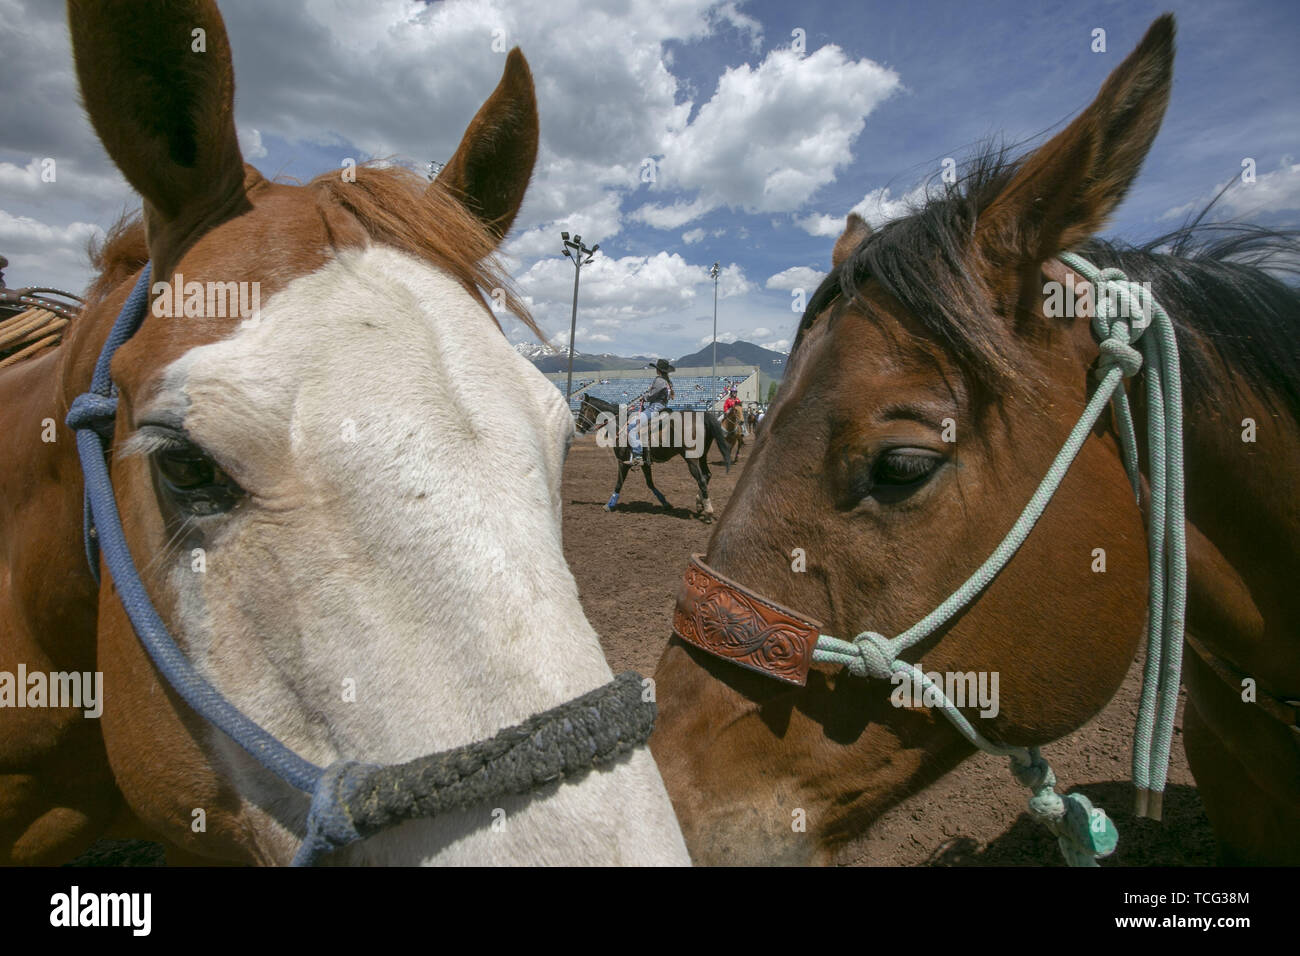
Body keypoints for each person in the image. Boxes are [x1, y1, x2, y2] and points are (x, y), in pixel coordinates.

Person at [627, 358, 674, 464]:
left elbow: (651, 395)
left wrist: (644, 397)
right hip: (663, 406)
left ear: (658, 370)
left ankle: (638, 455)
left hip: (655, 408)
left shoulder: (659, 380)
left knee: (632, 427)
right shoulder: (668, 382)